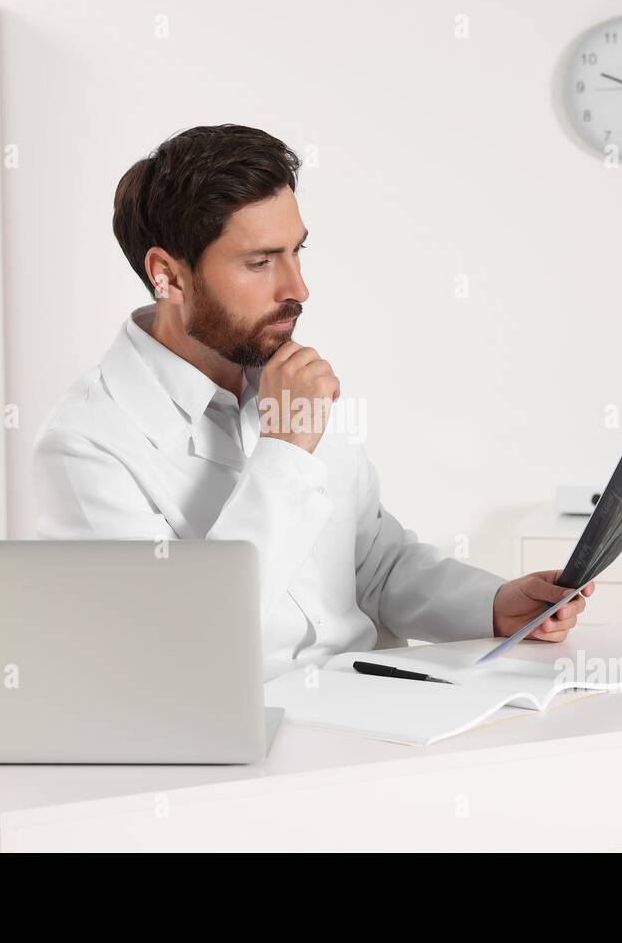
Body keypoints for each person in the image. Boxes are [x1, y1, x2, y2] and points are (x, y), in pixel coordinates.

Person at [33, 124, 593, 680]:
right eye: (260, 262)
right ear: (167, 276)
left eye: (297, 251)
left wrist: (492, 605)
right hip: (250, 732)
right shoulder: (85, 445)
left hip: (374, 701)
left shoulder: (282, 373)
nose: (298, 289)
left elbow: (371, 563)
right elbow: (178, 644)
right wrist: (285, 447)